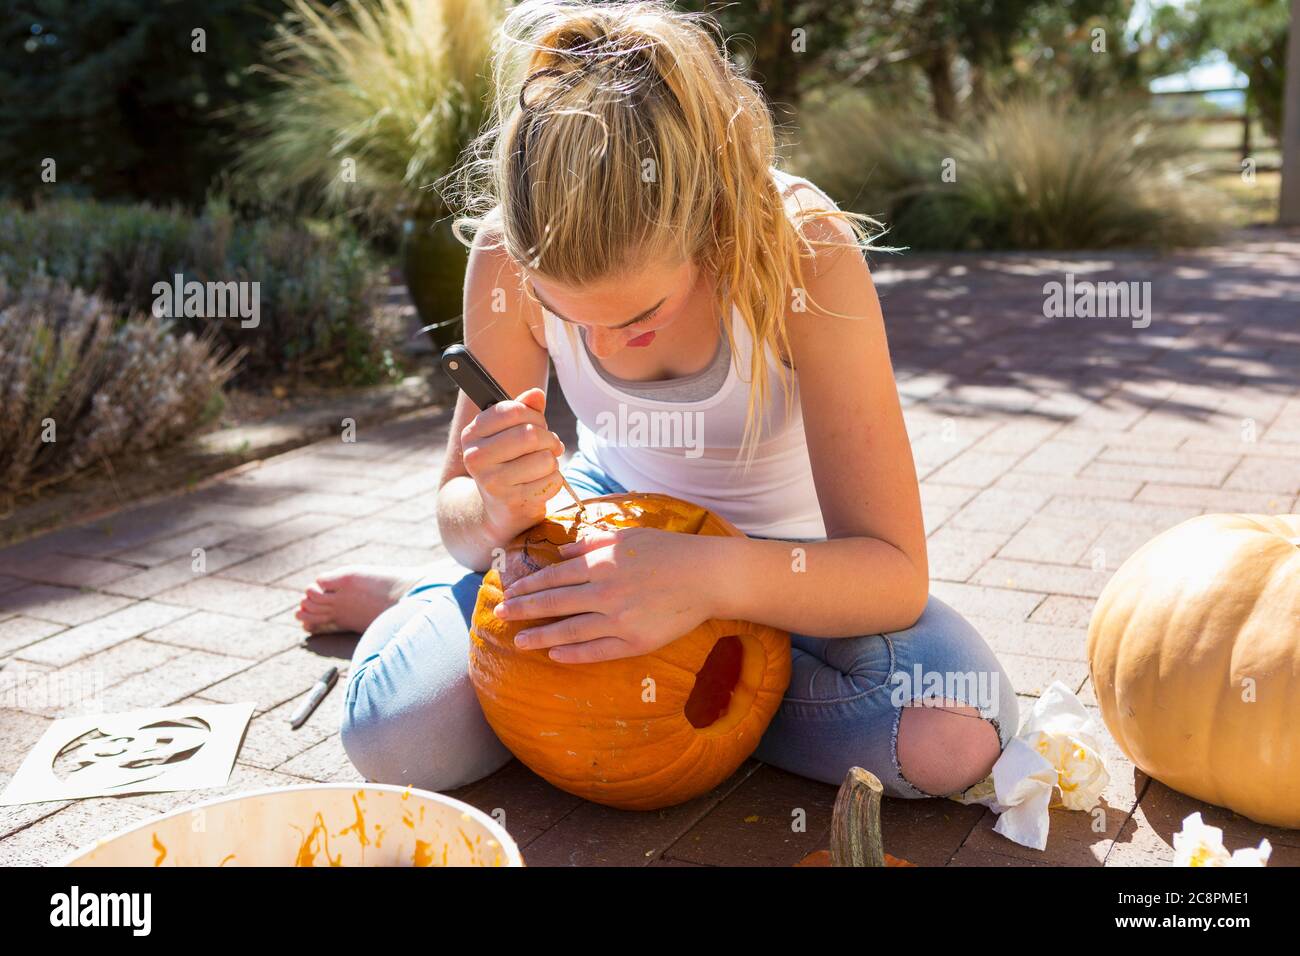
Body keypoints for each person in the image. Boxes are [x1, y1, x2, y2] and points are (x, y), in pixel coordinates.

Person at [296, 0, 1017, 800]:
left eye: (640, 317)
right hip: (607, 523)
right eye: (566, 316)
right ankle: (466, 617)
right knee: (395, 741)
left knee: (953, 732)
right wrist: (497, 509)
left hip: (791, 567)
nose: (599, 351)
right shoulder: (505, 255)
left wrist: (705, 582)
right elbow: (458, 519)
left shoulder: (802, 253)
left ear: (711, 219)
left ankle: (671, 697)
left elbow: (892, 577)